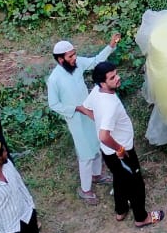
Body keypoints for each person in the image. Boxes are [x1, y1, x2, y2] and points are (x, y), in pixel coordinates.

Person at [84, 62, 164, 228]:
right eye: (112, 78)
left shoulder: (96, 91)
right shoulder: (110, 105)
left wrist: (100, 122)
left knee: (119, 178)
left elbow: (86, 108)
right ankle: (141, 218)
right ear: (102, 83)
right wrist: (119, 148)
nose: (118, 78)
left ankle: (121, 211)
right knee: (136, 184)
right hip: (121, 152)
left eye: (116, 74)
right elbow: (104, 136)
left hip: (107, 152)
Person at [46, 32, 121, 204]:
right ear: (61, 60)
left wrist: (111, 45)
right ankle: (85, 189)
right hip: (76, 119)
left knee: (97, 142)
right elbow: (53, 104)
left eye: (74, 54)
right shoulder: (54, 79)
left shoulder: (77, 64)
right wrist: (77, 108)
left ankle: (97, 175)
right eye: (70, 56)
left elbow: (95, 61)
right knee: (86, 152)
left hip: (89, 111)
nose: (74, 58)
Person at [0, 140, 38, 233]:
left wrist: (32, 207)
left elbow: (21, 185)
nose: (7, 153)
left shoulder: (8, 165)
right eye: (4, 151)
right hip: (12, 229)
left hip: (28, 216)